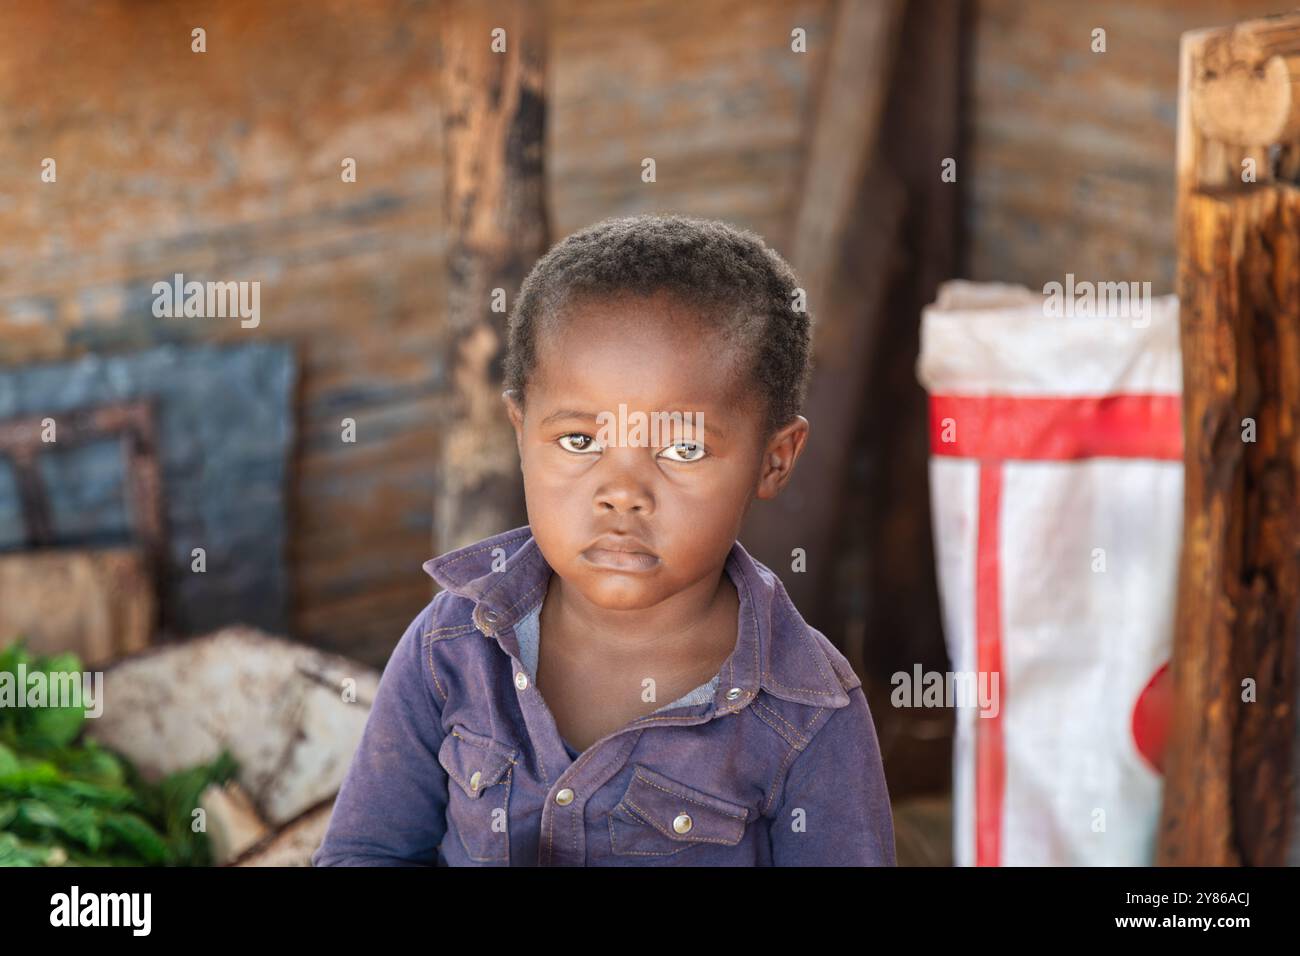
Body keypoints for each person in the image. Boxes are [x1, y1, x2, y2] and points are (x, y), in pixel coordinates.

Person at [312, 214, 896, 866]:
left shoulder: (807, 716)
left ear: (774, 460)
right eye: (579, 441)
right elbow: (364, 852)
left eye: (682, 447)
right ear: (520, 432)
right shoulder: (454, 643)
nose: (622, 492)